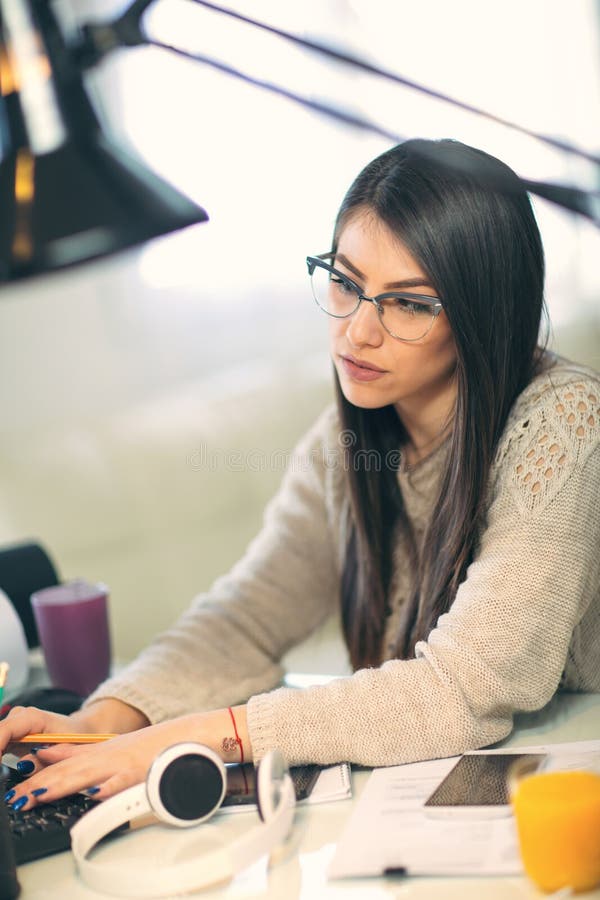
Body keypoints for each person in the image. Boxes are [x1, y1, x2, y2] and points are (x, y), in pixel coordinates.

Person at [2, 138, 599, 812]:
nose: (356, 333)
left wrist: (213, 734)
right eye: (345, 283)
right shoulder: (348, 444)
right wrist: (101, 723)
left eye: (407, 303)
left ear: (485, 309)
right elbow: (247, 619)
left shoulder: (561, 423)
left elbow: (467, 689)